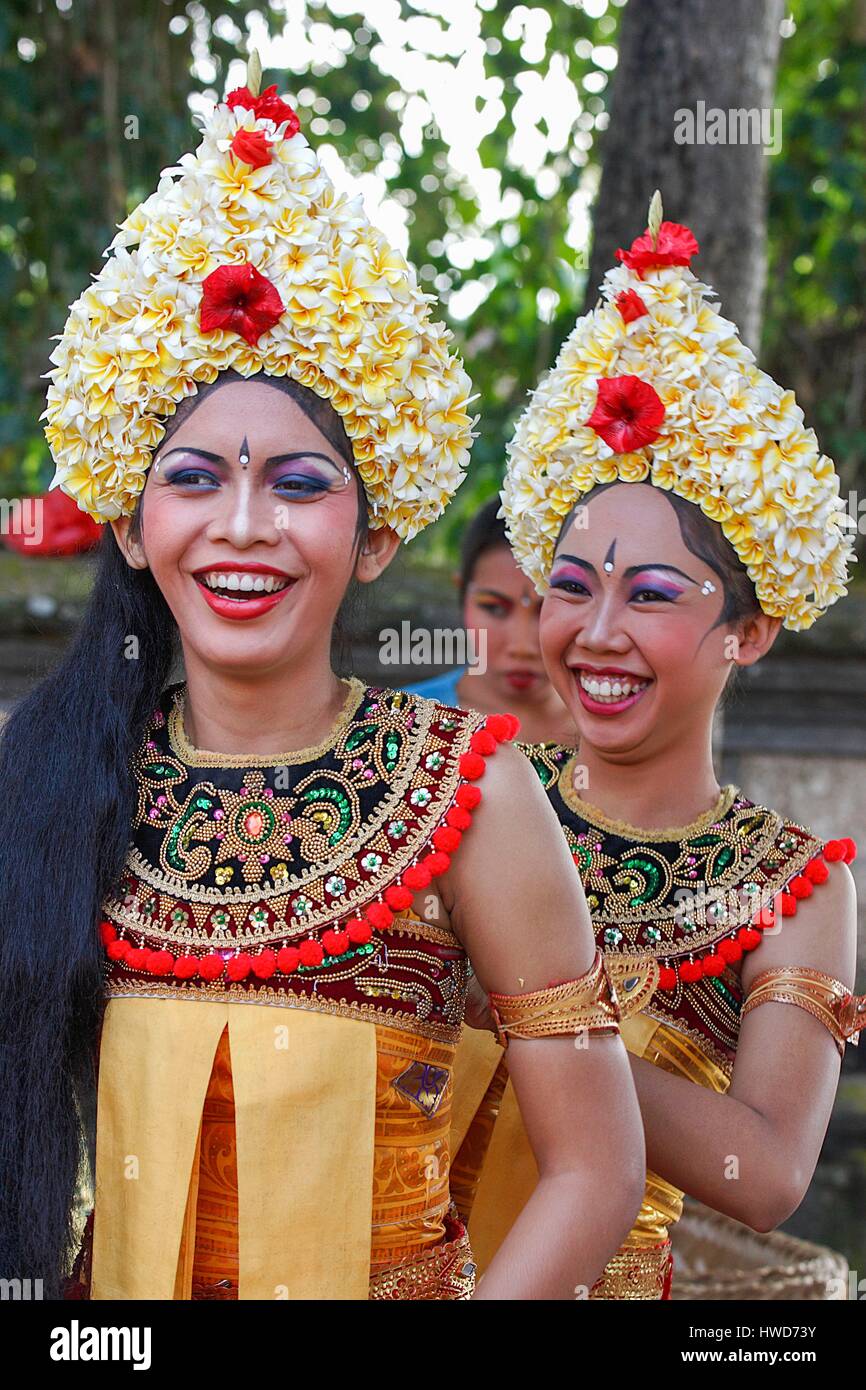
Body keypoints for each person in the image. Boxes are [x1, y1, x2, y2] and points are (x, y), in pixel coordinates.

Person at [0, 62, 646, 1302]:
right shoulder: (52, 777)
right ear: (131, 528)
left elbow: (593, 1164)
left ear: (375, 536)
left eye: (297, 486)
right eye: (193, 480)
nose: (243, 525)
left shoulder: (472, 787)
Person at [451, 198, 864, 1299]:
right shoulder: (473, 795)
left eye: (648, 596)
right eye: (572, 590)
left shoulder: (790, 888)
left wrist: (533, 1027)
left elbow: (766, 1168)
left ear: (749, 629)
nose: (593, 635)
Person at [406, 497, 577, 743]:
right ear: (462, 594)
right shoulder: (405, 723)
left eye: (547, 610)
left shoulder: (624, 730)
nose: (522, 647)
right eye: (494, 608)